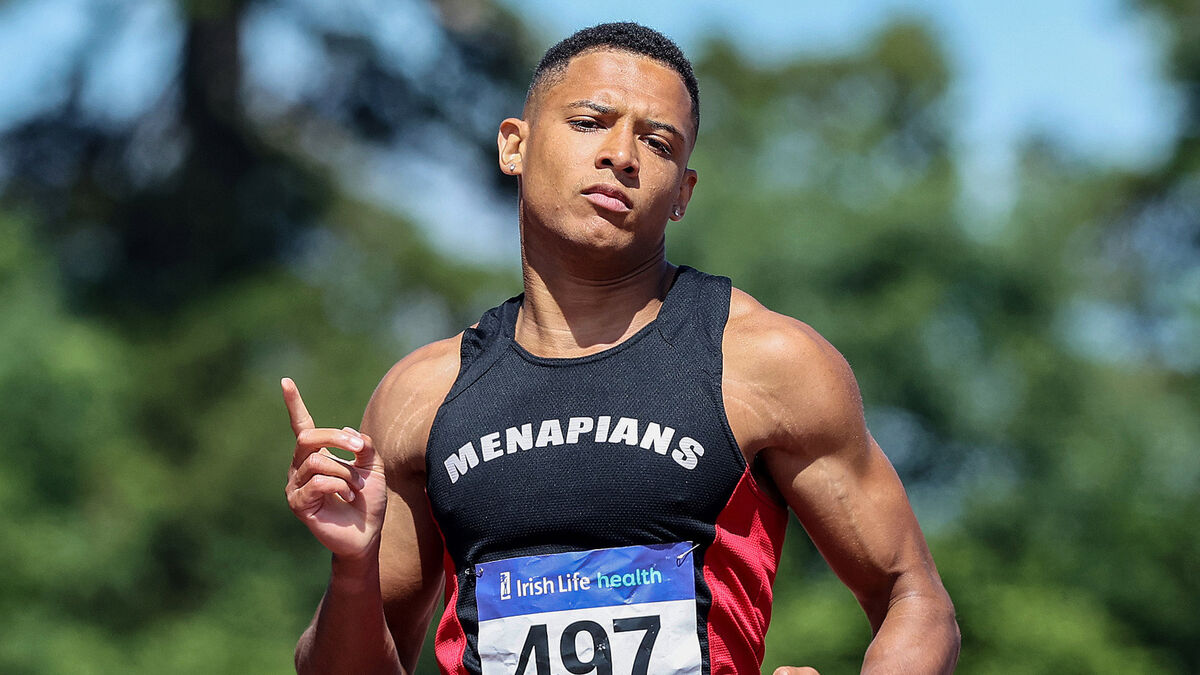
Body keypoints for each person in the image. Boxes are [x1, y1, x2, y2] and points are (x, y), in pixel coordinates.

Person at [282, 22, 959, 675]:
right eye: (588, 122)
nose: (621, 156)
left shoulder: (765, 363)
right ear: (514, 146)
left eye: (658, 142)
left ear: (683, 193)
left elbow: (916, 601)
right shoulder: (421, 397)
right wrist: (352, 572)